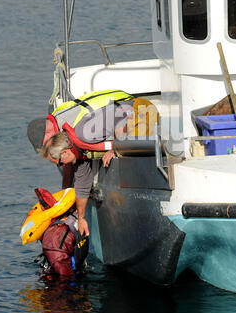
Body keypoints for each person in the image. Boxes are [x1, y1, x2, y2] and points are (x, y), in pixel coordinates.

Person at [27, 89, 160, 238]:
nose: (61, 165)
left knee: (131, 153)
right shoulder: (78, 153)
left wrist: (117, 148)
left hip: (142, 111)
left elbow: (120, 119)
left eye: (59, 162)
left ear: (64, 152)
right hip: (126, 122)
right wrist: (81, 218)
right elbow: (82, 186)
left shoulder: (86, 133)